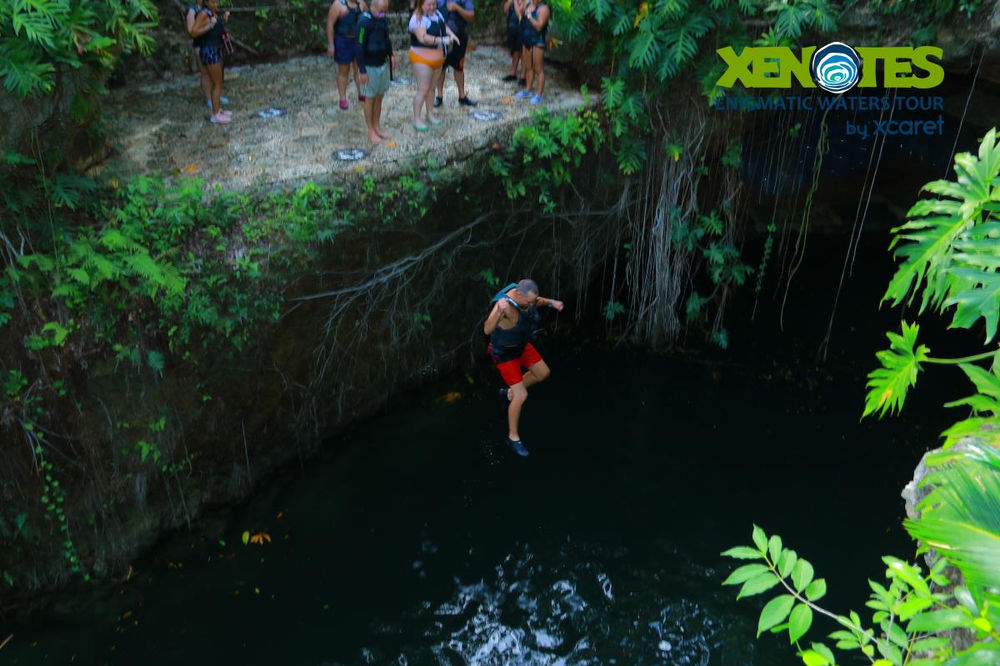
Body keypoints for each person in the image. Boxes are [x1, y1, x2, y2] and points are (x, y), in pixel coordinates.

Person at [483, 279, 564, 456]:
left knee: (543, 373)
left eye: (531, 301)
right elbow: (487, 330)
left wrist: (552, 302)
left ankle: (509, 393)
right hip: (504, 354)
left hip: (521, 345)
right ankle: (513, 437)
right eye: (528, 302)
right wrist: (498, 312)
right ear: (518, 295)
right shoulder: (504, 306)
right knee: (522, 395)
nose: (531, 304)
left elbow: (537, 300)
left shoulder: (526, 297)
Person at [408, 0, 458, 131]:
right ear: (421, 4)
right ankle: (417, 118)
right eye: (428, 5)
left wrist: (451, 34)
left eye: (434, 4)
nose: (432, 7)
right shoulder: (417, 18)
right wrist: (442, 40)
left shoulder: (438, 14)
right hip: (422, 59)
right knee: (423, 89)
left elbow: (443, 26)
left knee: (431, 89)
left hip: (438, 59)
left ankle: (430, 114)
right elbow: (422, 37)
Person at [356, 0, 396, 144]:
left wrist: (391, 55)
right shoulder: (363, 23)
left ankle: (377, 126)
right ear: (371, 7)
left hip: (382, 64)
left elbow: (387, 39)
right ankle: (370, 130)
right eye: (380, 11)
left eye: (385, 11)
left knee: (379, 97)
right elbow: (359, 47)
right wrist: (362, 71)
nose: (383, 14)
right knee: (370, 98)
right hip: (369, 66)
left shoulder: (382, 20)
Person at [191, 0, 231, 123]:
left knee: (218, 82)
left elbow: (215, 30)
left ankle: (218, 109)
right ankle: (215, 114)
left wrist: (223, 19)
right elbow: (193, 31)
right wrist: (210, 25)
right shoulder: (203, 13)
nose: (216, 4)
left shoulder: (213, 12)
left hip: (215, 49)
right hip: (209, 51)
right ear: (206, 2)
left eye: (217, 1)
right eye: (213, 2)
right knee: (217, 83)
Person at [433, 0, 477, 107]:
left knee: (459, 67)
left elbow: (471, 17)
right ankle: (439, 96)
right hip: (441, 37)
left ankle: (462, 96)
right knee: (440, 66)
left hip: (459, 36)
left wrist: (457, 8)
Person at [327, 0, 367, 110]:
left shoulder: (362, 4)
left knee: (359, 69)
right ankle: (343, 98)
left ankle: (362, 93)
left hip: (358, 41)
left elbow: (366, 22)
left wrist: (363, 39)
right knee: (343, 71)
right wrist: (331, 44)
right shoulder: (338, 5)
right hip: (343, 40)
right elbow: (330, 24)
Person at [514, 0, 549, 105]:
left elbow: (539, 26)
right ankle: (528, 90)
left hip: (537, 41)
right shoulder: (528, 4)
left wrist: (529, 16)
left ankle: (539, 95)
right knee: (528, 66)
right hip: (526, 39)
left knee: (538, 68)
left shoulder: (543, 8)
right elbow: (519, 14)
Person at [501, 0, 525, 85]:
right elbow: (505, 9)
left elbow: (521, 11)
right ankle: (513, 73)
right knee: (515, 50)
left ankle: (523, 76)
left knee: (523, 51)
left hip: (523, 26)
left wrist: (515, 1)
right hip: (512, 26)